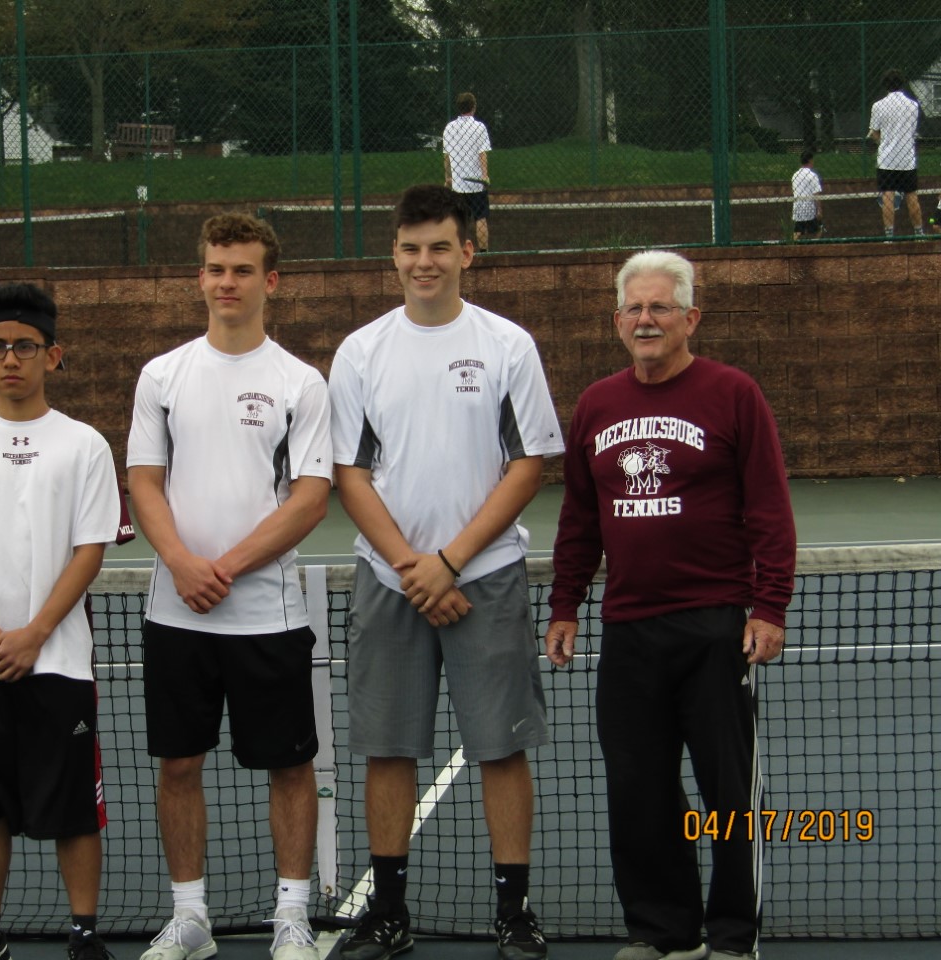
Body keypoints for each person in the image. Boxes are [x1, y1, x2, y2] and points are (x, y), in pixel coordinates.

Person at [328, 184, 563, 960]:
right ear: (393, 255)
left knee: (501, 747)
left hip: (486, 575)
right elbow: (349, 472)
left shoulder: (508, 345)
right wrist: (409, 565)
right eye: (410, 248)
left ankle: (515, 914)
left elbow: (529, 462)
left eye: (439, 247)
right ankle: (389, 913)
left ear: (467, 252)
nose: (423, 262)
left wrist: (451, 562)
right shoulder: (361, 351)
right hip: (390, 579)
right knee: (388, 748)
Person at [545, 251, 797, 960]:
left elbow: (770, 510)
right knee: (639, 790)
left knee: (726, 793)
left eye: (661, 308)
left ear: (691, 318)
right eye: (635, 308)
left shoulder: (733, 393)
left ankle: (733, 935)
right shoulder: (596, 404)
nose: (646, 319)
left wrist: (768, 605)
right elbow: (580, 520)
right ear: (618, 319)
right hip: (628, 630)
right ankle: (664, 931)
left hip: (717, 625)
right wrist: (566, 605)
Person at [126, 213, 333, 960]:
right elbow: (144, 481)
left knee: (289, 765)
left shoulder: (300, 383)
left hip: (268, 616)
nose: (227, 282)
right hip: (176, 616)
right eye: (216, 268)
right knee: (178, 765)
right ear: (199, 277)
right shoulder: (163, 376)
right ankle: (190, 919)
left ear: (269, 281)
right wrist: (181, 562)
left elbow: (312, 496)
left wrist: (228, 566)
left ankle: (291, 917)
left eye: (242, 269)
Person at [0, 282, 133, 960]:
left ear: (54, 356)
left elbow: (90, 549)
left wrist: (35, 635)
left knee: (76, 806)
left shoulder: (85, 447)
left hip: (61, 663)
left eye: (25, 346)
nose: (11, 358)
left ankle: (83, 936)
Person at [869, 68, 924, 238]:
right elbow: (911, 130)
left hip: (886, 158)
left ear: (885, 85)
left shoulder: (878, 106)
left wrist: (882, 141)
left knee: (888, 194)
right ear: (901, 83)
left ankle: (889, 235)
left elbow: (874, 132)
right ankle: (919, 234)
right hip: (907, 158)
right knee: (911, 195)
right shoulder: (913, 106)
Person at [442, 92, 492, 252]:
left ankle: (458, 251)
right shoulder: (479, 127)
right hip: (476, 182)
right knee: (480, 217)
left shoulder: (449, 128)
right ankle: (484, 252)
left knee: (460, 220)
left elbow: (447, 156)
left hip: (458, 183)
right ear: (474, 106)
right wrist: (484, 176)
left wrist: (448, 177)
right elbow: (482, 154)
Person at [790, 149, 823, 241]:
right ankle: (813, 248)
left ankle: (794, 249)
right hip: (810, 209)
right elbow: (816, 194)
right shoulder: (812, 175)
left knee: (797, 232)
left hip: (798, 208)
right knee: (819, 230)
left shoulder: (795, 175)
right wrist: (819, 210)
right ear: (810, 160)